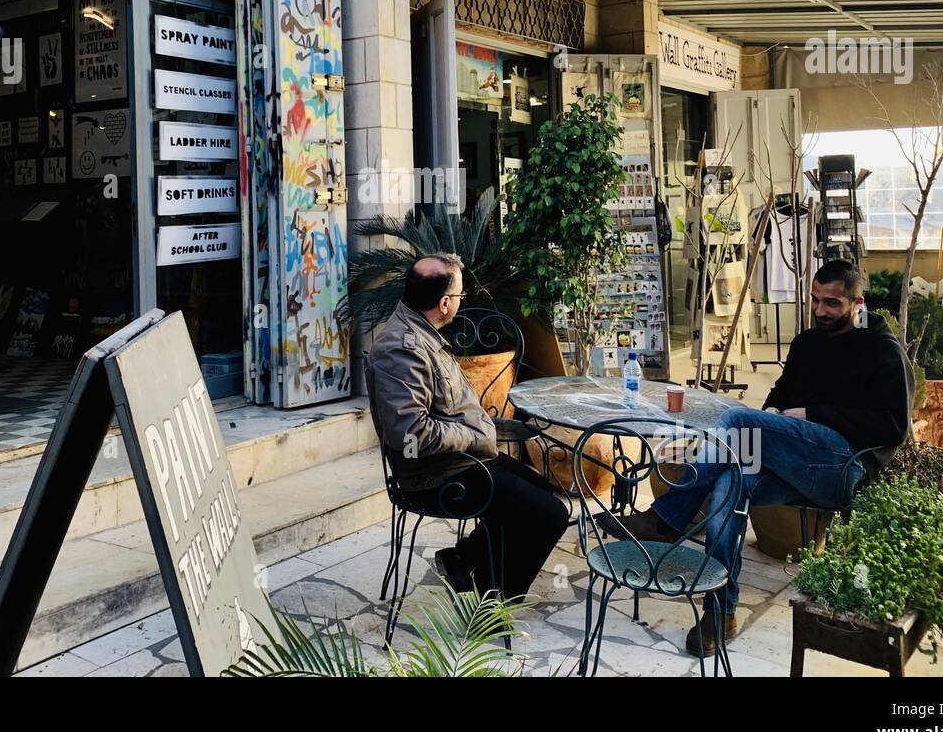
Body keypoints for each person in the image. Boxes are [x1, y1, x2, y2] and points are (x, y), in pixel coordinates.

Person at [615, 259, 912, 657]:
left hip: (844, 469)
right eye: (815, 301)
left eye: (832, 304)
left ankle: (668, 517)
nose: (821, 311)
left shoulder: (883, 351)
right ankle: (720, 611)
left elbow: (892, 428)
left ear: (857, 303)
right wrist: (773, 416)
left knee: (736, 420)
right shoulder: (807, 344)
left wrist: (813, 415)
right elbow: (782, 394)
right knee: (728, 484)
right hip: (793, 461)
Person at [365, 253, 568, 601]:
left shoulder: (422, 330)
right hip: (434, 475)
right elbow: (410, 434)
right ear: (444, 304)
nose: (462, 301)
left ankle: (463, 559)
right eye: (460, 295)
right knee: (550, 514)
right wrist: (475, 437)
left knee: (541, 492)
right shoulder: (401, 349)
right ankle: (492, 603)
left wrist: (489, 431)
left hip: (459, 461)